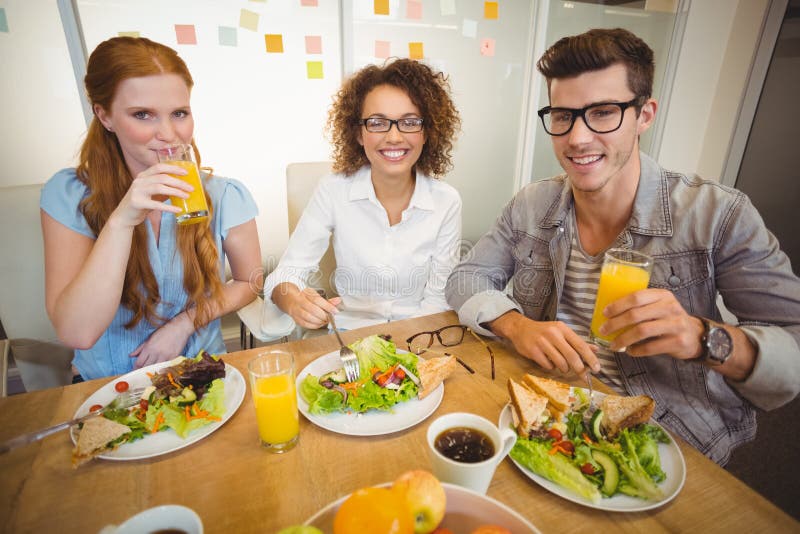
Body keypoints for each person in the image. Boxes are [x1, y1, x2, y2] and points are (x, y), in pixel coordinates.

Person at [445, 28, 800, 464]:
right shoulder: (532, 204)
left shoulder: (716, 214)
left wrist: (702, 337)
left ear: (644, 115)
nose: (577, 138)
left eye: (603, 112)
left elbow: (793, 351)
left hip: (669, 438)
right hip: (547, 417)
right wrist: (517, 325)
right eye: (562, 116)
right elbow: (466, 277)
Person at [41, 37, 261, 380]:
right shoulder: (70, 195)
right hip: (110, 387)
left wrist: (185, 323)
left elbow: (251, 281)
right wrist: (121, 221)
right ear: (105, 116)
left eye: (179, 114)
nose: (169, 134)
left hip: (203, 374)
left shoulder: (223, 194)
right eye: (143, 115)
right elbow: (77, 332)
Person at [264, 58, 462, 331]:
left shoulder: (446, 201)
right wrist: (294, 302)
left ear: (427, 132)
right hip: (351, 336)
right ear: (358, 134)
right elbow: (286, 273)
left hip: (419, 336)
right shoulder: (333, 190)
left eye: (409, 122)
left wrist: (405, 353)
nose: (394, 137)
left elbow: (438, 299)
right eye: (378, 123)